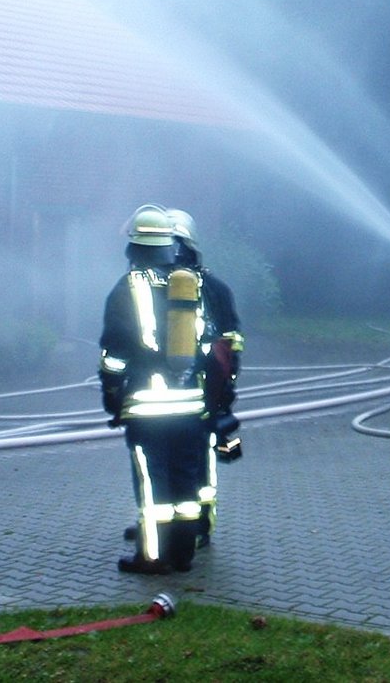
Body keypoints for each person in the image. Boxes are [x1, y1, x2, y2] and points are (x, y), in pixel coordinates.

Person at [99, 205, 242, 575]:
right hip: (190, 404)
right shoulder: (192, 287)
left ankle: (152, 557)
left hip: (147, 406)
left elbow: (114, 355)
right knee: (185, 479)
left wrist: (111, 396)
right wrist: (216, 396)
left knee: (153, 485)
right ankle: (184, 553)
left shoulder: (127, 289)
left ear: (134, 247)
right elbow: (214, 345)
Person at [165, 208, 244, 548]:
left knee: (179, 460)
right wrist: (226, 391)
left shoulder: (188, 287)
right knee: (197, 458)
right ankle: (190, 524)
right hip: (204, 394)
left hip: (180, 393)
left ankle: (191, 523)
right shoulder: (216, 288)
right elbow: (233, 344)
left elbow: (230, 344)